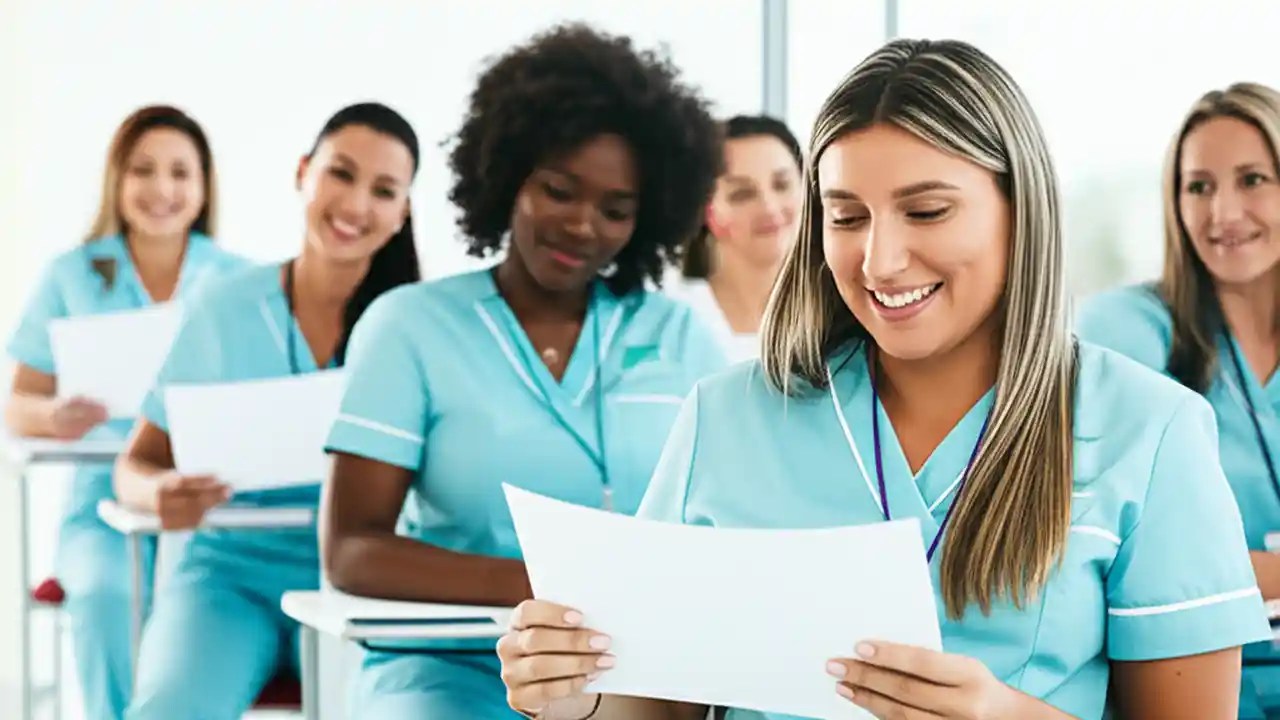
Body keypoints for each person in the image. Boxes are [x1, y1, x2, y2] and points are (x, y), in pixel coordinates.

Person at [496, 39, 1271, 720]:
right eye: (847, 216)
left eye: (927, 212)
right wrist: (576, 698)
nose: (880, 261)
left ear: (1019, 211)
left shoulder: (1150, 430)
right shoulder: (726, 417)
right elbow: (659, 705)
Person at [320, 23, 727, 719]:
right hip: (445, 670)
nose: (582, 226)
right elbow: (353, 549)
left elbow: (728, 526)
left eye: (615, 209)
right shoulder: (410, 326)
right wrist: (550, 587)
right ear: (507, 176)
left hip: (631, 673)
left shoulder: (679, 335)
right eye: (558, 191)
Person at [111, 102, 422, 719]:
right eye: (341, 173)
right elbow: (134, 467)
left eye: (383, 190)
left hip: (367, 585)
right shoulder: (224, 307)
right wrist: (160, 493)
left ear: (402, 213)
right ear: (303, 172)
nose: (357, 205)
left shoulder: (415, 324)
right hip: (230, 579)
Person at [3, 104, 244, 719]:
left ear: (203, 187)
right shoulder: (73, 274)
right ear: (118, 179)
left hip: (207, 502)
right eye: (144, 170)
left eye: (180, 173)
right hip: (101, 508)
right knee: (111, 595)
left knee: (208, 612)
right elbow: (18, 405)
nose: (162, 190)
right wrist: (52, 415)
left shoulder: (238, 282)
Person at [1077, 82, 1280, 719]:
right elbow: (1136, 558)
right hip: (1196, 676)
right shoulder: (1128, 328)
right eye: (1198, 186)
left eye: (1252, 179)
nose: (1223, 213)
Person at [668, 114, 803, 361]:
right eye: (742, 194)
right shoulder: (674, 320)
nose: (769, 207)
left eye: (782, 185)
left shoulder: (844, 315)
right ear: (704, 210)